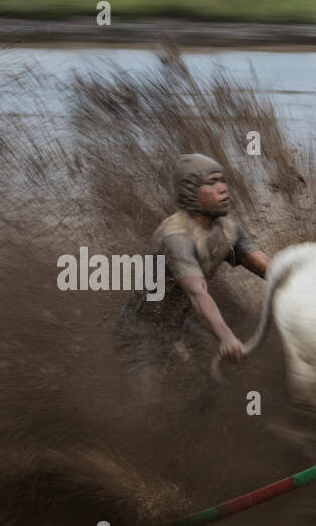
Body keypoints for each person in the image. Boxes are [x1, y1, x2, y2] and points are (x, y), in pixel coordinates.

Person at [115, 153, 270, 396]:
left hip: (183, 324)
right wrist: (227, 337)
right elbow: (197, 294)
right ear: (190, 191)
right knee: (149, 400)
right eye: (211, 182)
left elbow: (270, 270)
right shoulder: (176, 236)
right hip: (141, 332)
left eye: (222, 180)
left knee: (213, 386)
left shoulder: (229, 232)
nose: (223, 189)